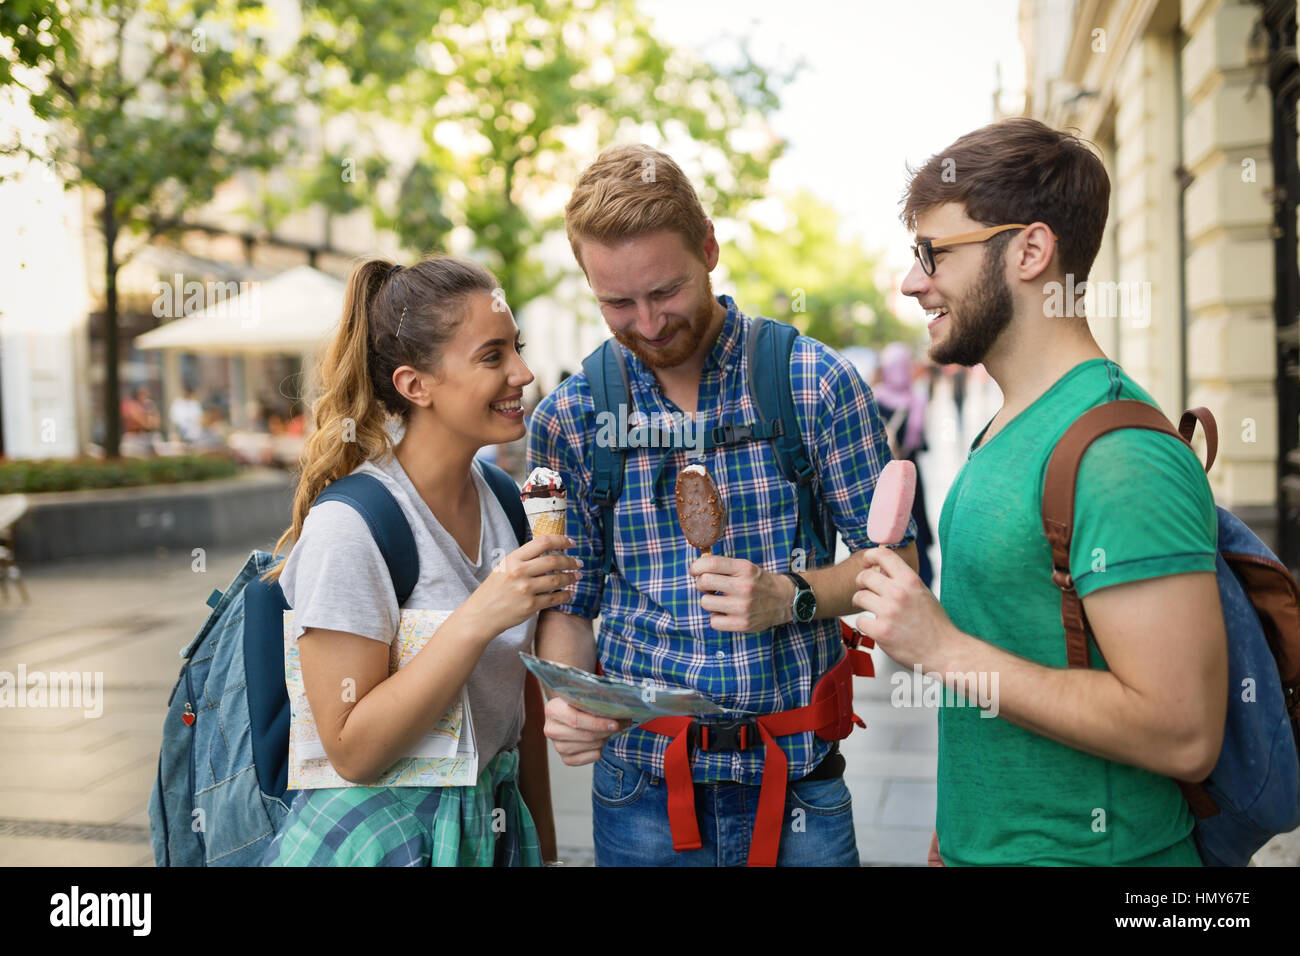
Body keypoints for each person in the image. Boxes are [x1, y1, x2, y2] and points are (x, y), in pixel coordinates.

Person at [527, 144, 917, 867]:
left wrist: (791, 596)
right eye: (617, 302)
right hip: (641, 793)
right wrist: (571, 704)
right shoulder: (568, 419)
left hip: (797, 783)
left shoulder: (813, 384)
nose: (646, 323)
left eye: (665, 291)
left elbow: (900, 562)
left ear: (708, 247)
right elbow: (570, 603)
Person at [852, 117, 1226, 866]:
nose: (913, 280)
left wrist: (943, 649)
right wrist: (956, 833)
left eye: (935, 253)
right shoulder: (1012, 423)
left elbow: (1184, 731)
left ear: (1030, 250)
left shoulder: (1119, 452)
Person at [258, 255, 576, 866]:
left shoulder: (508, 504)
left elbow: (516, 712)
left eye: (518, 348)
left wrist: (549, 853)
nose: (524, 372)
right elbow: (351, 750)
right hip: (382, 840)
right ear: (415, 385)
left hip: (493, 828)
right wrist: (479, 617)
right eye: (492, 356)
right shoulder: (352, 527)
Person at [874, 342, 936, 589]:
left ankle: (892, 584)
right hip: (911, 477)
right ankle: (923, 585)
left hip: (884, 478)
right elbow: (921, 444)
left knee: (888, 531)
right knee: (916, 526)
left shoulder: (874, 397)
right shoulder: (916, 400)